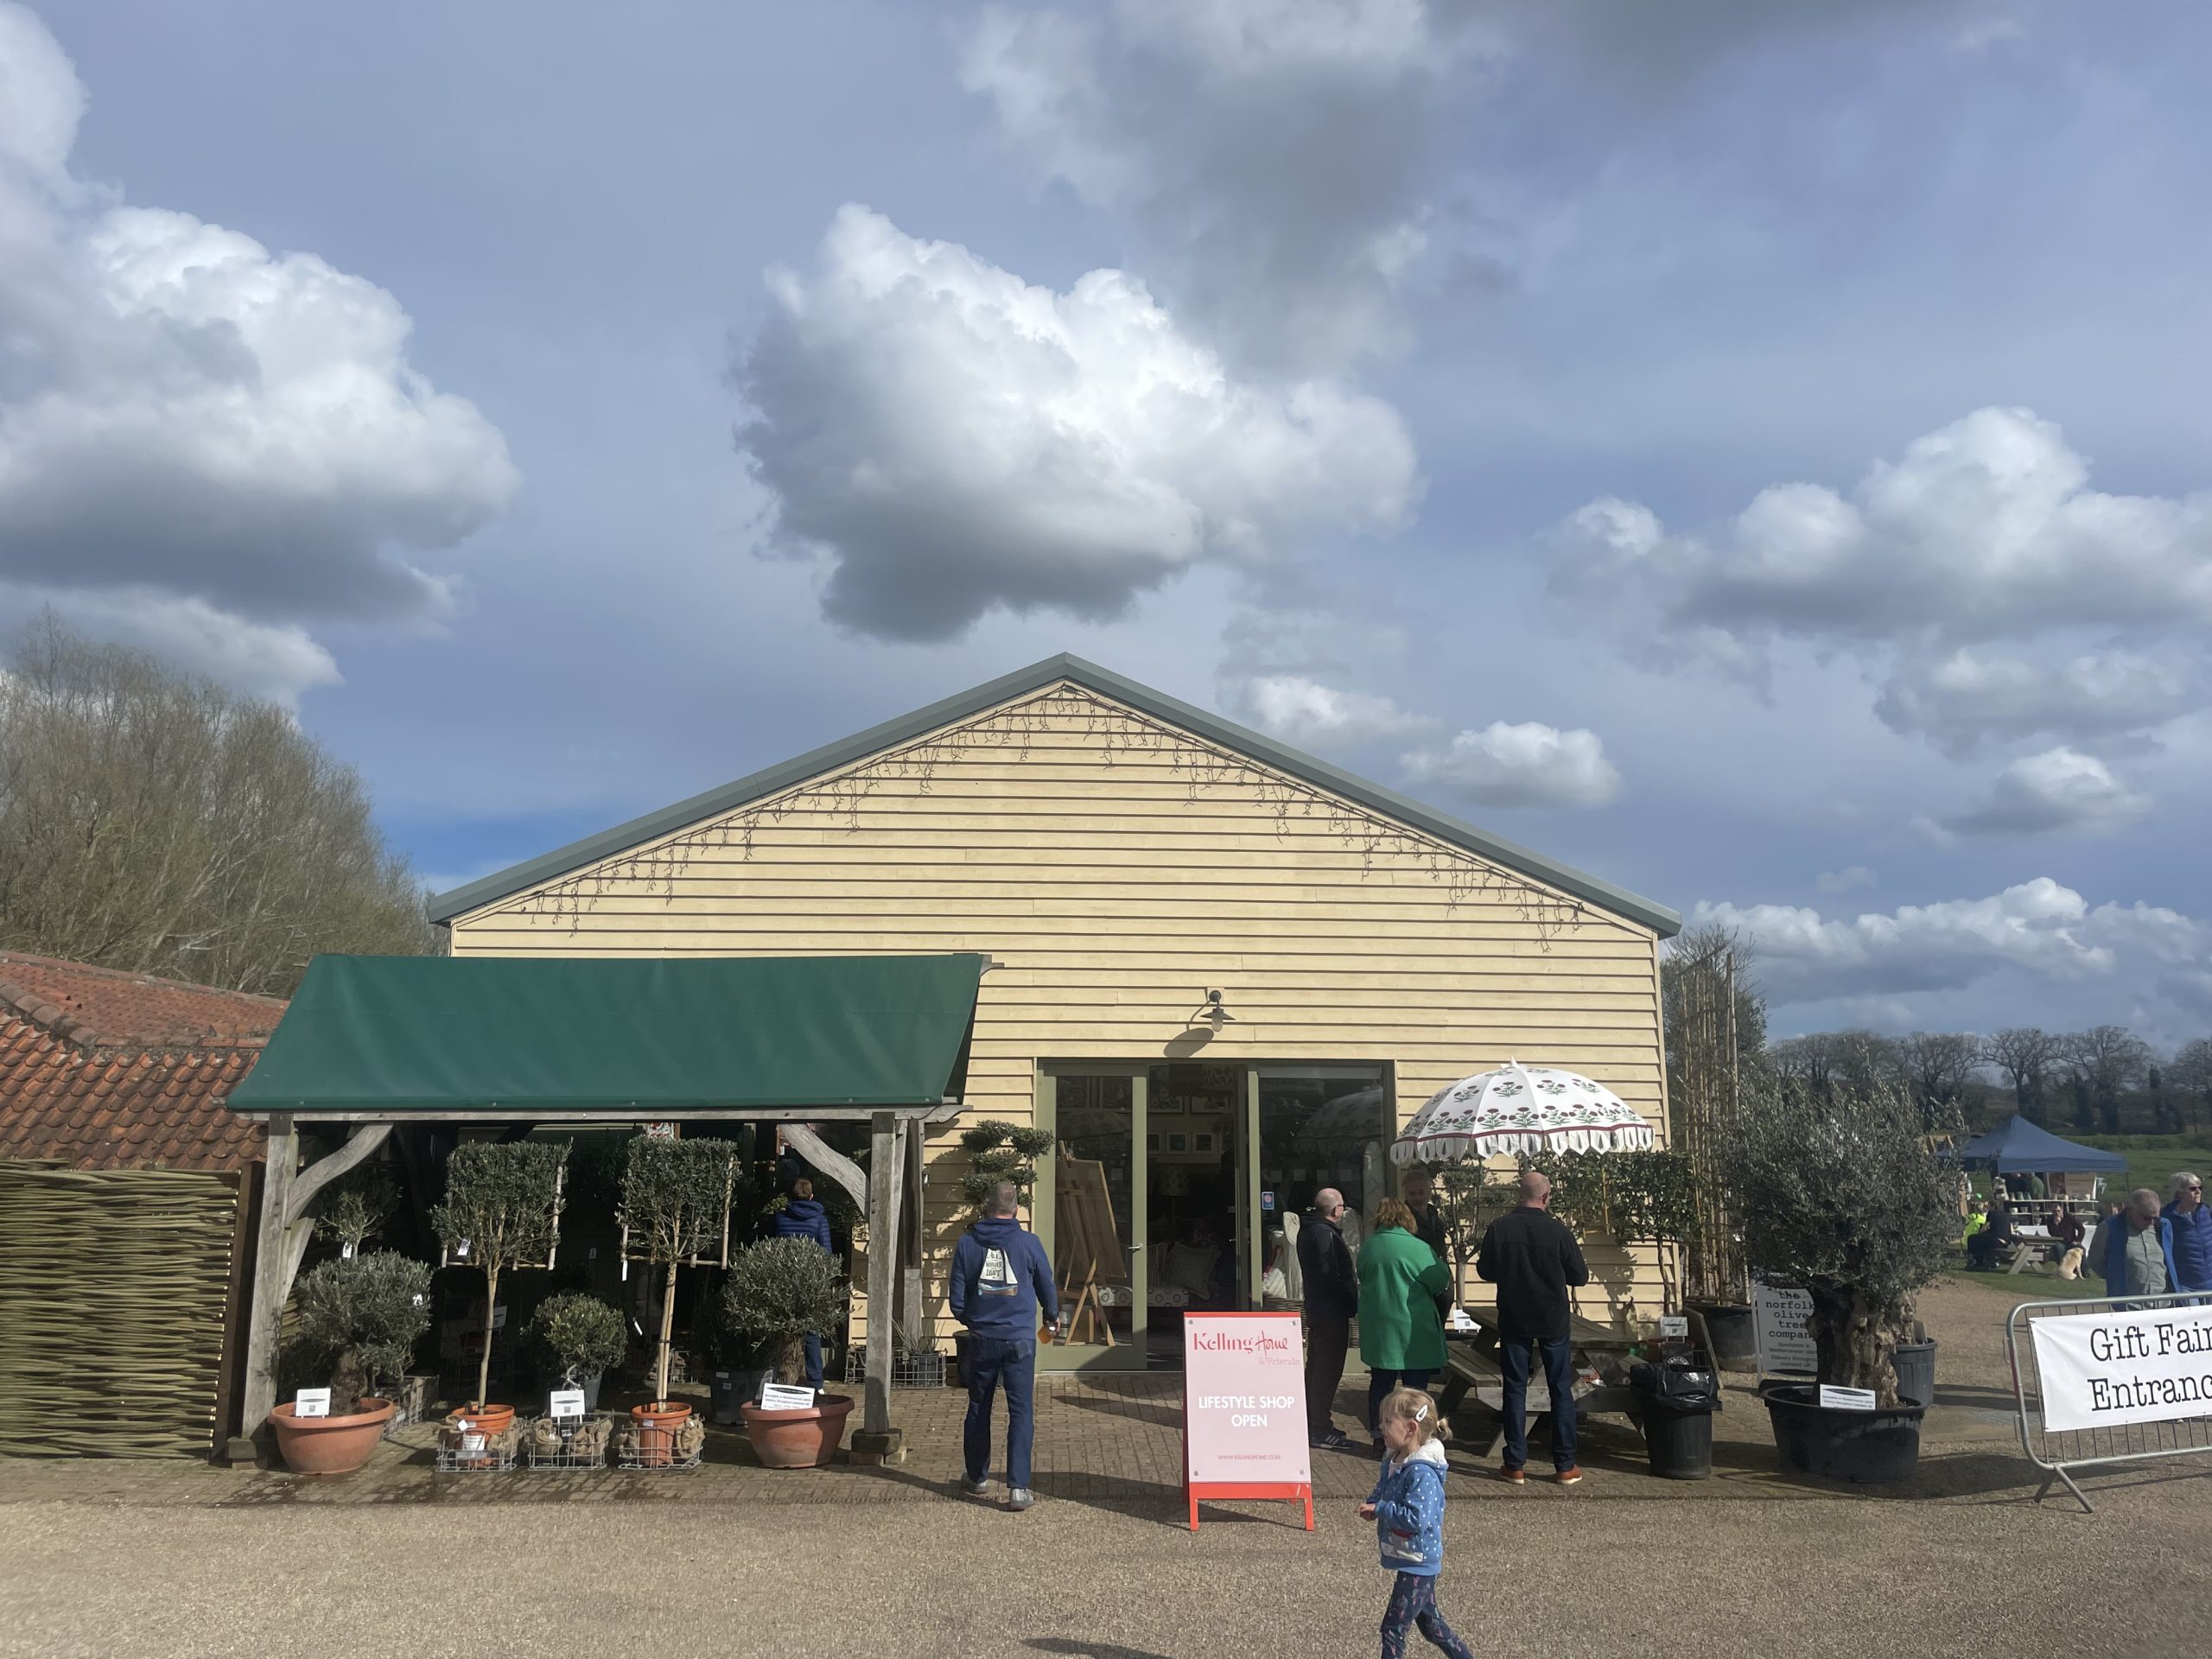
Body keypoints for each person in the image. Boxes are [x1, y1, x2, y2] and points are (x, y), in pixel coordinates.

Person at [947, 1180, 1059, 1511]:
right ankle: (1018, 1489)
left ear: (986, 1206)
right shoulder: (1029, 1243)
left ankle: (978, 1477)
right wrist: (1051, 1318)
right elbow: (1047, 1287)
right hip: (1021, 1339)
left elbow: (956, 1300)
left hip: (982, 1339)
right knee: (1021, 1410)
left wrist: (975, 1321)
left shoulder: (967, 1243)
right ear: (1016, 1210)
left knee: (979, 1408)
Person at [1476, 1168, 1590, 1485]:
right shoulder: (1558, 1231)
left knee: (1515, 1388)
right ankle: (1565, 1465)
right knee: (1560, 1390)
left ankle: (1514, 1464)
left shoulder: (1500, 1228)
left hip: (1514, 1316)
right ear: (1546, 1196)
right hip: (1553, 1318)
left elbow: (1486, 1270)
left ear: (1519, 1195)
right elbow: (1579, 1276)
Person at [1358, 1387, 1475, 1659]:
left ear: (1411, 1428)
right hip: (1409, 1556)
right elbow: (1385, 1488)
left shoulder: (1422, 1473)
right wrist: (1375, 1504)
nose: (1381, 1427)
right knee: (1432, 1626)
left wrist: (1383, 1508)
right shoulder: (1395, 1458)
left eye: (1388, 1422)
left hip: (1419, 1562)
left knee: (1393, 1628)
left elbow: (1416, 1519)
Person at [1357, 1198, 1451, 1452]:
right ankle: (1413, 1439)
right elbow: (1440, 1281)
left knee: (1380, 1384)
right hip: (1413, 1327)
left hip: (1380, 1327)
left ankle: (1380, 1437)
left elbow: (1362, 1275)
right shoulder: (1418, 1248)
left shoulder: (1369, 1247)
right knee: (1416, 1390)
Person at [1298, 1187, 1360, 1449]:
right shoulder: (1325, 1234)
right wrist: (1348, 1298)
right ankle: (1319, 1428)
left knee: (1316, 1368)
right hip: (1329, 1311)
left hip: (1318, 1307)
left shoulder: (1309, 1230)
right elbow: (1330, 1273)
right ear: (1336, 1210)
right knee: (1326, 1370)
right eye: (1342, 1206)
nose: (1343, 1210)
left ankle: (1311, 1422)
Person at [770, 1177, 834, 1387]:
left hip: (785, 1280)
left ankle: (782, 1380)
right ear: (811, 1195)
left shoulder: (780, 1218)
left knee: (783, 1330)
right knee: (812, 1333)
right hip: (810, 1281)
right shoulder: (819, 1220)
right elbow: (826, 1252)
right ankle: (816, 1382)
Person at [2087, 1187, 2178, 1300]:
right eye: (2146, 1218)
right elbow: (2096, 1261)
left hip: (2164, 1302)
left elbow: (2171, 1258)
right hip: (2129, 1304)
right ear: (2130, 1211)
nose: (2151, 1223)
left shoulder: (2164, 1226)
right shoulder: (2109, 1228)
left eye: (2155, 1218)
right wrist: (2116, 1277)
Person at [2163, 1173, 2212, 1294]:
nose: (2198, 1192)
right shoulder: (2167, 1218)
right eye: (2192, 1188)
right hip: (2185, 1285)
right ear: (2179, 1192)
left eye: (2200, 1188)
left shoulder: (2207, 1212)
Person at [1401, 1168, 1450, 1265]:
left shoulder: (1433, 1213)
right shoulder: (1402, 1218)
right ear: (1406, 1194)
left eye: (1421, 1192)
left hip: (1437, 1269)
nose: (1417, 1198)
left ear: (1429, 1192)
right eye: (1412, 1194)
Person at [2050, 1205, 2087, 1281]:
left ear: (2062, 1210)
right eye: (2054, 1212)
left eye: (2058, 1211)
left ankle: (2084, 1271)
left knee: (2082, 1250)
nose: (2057, 1213)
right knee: (2056, 1249)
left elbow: (2081, 1228)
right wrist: (2056, 1225)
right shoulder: (2050, 1220)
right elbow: (2053, 1234)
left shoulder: (2069, 1217)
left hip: (2072, 1241)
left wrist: (2078, 1241)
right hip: (2061, 1242)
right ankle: (2065, 1270)